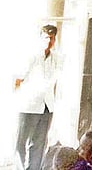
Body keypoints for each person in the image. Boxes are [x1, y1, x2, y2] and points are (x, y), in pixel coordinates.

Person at [14, 24, 61, 170]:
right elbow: (17, 79)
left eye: (52, 38)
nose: (49, 41)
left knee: (39, 143)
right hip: (29, 105)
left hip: (47, 106)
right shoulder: (31, 56)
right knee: (21, 142)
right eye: (46, 38)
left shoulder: (56, 58)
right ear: (40, 38)